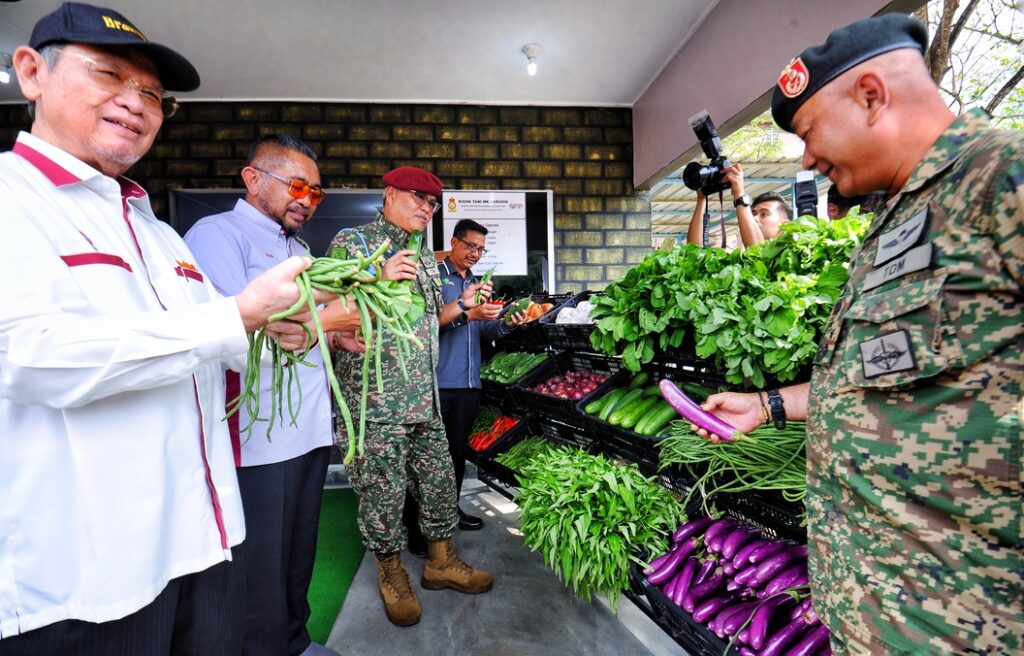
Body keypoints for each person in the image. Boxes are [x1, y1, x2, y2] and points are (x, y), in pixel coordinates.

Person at [0, 3, 333, 654]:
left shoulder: (155, 232)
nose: (135, 102)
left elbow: (217, 343)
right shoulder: (14, 202)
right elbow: (30, 357)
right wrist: (240, 317)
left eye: (152, 94)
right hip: (92, 580)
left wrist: (281, 333)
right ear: (32, 73)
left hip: (202, 541)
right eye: (108, 75)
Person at [696, 14, 1022, 655]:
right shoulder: (896, 218)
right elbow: (874, 378)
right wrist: (768, 406)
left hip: (971, 625)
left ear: (872, 95)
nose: (807, 159)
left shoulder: (1000, 179)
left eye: (809, 133)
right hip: (874, 617)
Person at [184, 135, 359, 656]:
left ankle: (293, 641)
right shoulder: (217, 234)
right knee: (259, 561)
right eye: (297, 186)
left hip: (308, 430)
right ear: (253, 178)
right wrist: (327, 319)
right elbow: (233, 332)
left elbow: (300, 332)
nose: (307, 200)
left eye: (316, 192)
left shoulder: (300, 251)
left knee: (299, 551)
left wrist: (333, 335)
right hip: (255, 436)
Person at [328, 166, 494, 627]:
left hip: (424, 396)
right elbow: (325, 312)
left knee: (440, 484)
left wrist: (466, 306)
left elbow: (429, 320)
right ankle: (391, 573)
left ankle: (441, 564)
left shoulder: (423, 255)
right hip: (376, 403)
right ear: (389, 194)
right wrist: (378, 279)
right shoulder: (353, 243)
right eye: (417, 197)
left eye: (432, 202)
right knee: (382, 496)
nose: (426, 207)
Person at [403, 218, 525, 555]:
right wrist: (465, 313)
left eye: (481, 249)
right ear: (454, 242)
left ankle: (449, 514)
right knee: (425, 460)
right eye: (470, 245)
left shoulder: (477, 283)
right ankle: (415, 527)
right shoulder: (433, 277)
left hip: (469, 384)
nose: (475, 253)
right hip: (437, 384)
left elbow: (484, 332)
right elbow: (422, 326)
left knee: (456, 456)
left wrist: (506, 324)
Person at [686, 163, 792, 248]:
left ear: (785, 225)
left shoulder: (793, 257)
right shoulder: (741, 261)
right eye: (753, 214)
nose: (755, 218)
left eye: (764, 214)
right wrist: (702, 198)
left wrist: (739, 195)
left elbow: (757, 253)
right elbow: (694, 255)